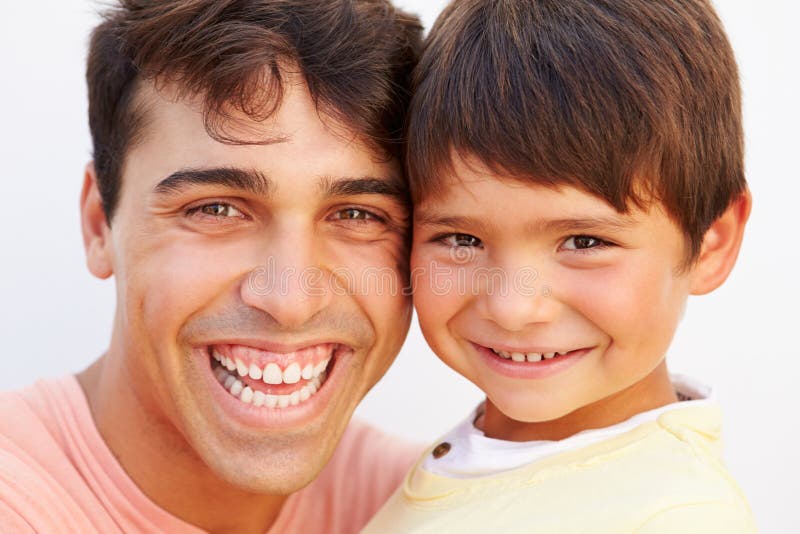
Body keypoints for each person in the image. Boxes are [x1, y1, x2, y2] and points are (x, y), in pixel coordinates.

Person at [0, 1, 423, 532]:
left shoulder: (442, 506)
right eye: (215, 209)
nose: (290, 302)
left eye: (358, 214)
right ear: (97, 223)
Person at [364, 0, 757, 532]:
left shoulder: (673, 517)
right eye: (461, 238)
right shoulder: (468, 462)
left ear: (711, 242)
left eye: (583, 241)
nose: (512, 308)